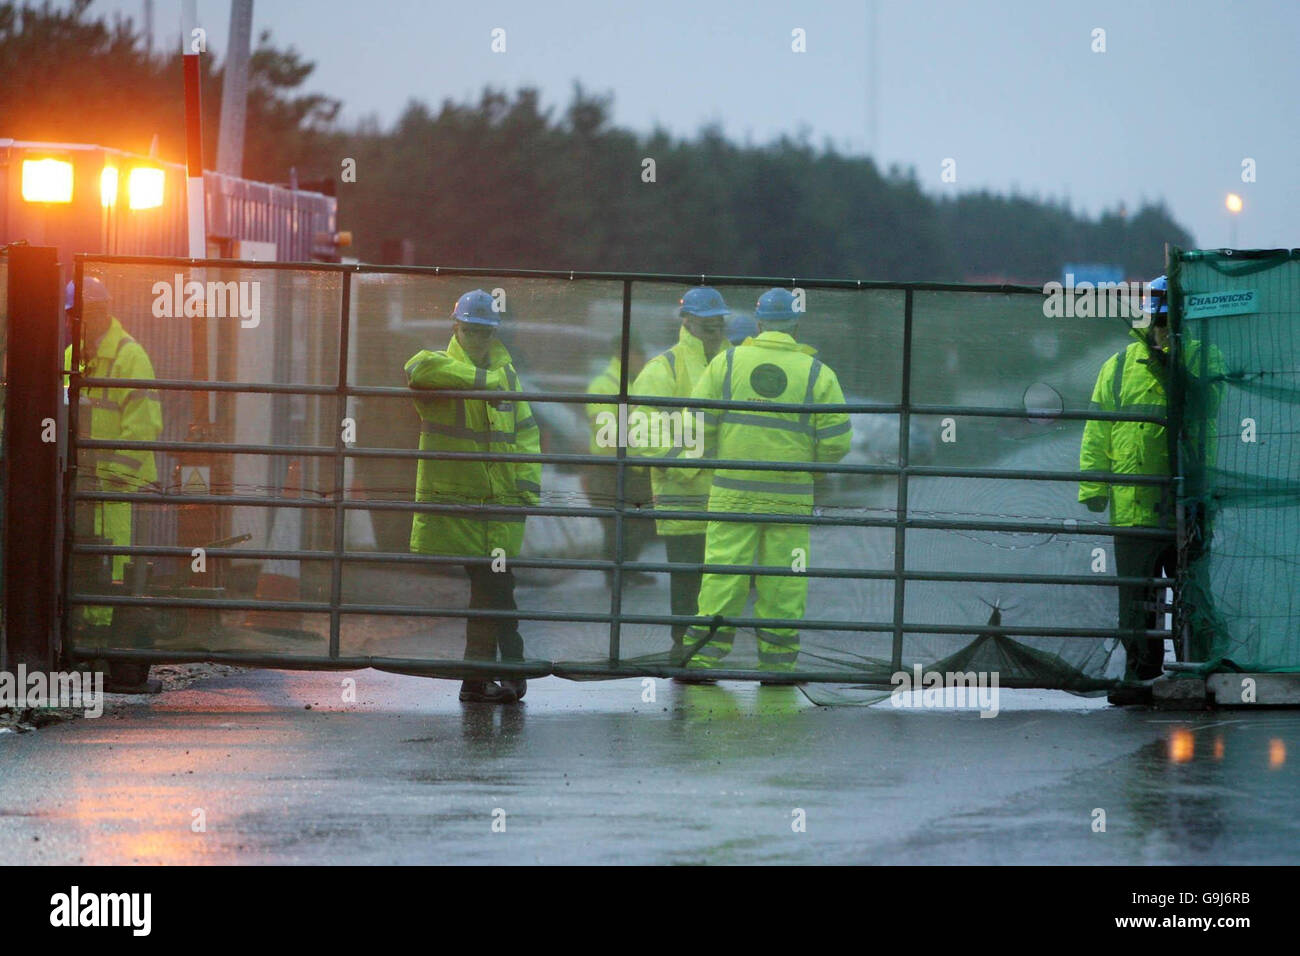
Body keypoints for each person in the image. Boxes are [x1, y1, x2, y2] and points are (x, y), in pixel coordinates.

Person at [680, 288, 852, 680]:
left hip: (732, 493)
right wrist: (809, 468)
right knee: (783, 583)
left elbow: (696, 423)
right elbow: (837, 441)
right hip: (789, 500)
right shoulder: (817, 374)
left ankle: (703, 659)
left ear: (758, 324)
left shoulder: (727, 362)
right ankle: (776, 666)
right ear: (795, 325)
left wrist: (713, 458)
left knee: (723, 575)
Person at [1078, 274, 1224, 687]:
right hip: (1134, 505)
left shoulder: (1205, 358)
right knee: (1137, 600)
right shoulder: (1119, 365)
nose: (1161, 330)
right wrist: (1093, 487)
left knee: (1193, 593)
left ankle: (1197, 672)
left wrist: (1173, 368)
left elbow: (1208, 404)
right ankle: (1140, 675)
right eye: (1156, 322)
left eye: (1168, 322)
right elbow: (1097, 429)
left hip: (1187, 502)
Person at [405, 289, 541, 705]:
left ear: (494, 333)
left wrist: (527, 492)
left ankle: (479, 681)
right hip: (463, 508)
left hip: (500, 508)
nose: (477, 339)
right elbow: (419, 370)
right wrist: (486, 384)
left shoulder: (508, 374)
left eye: (484, 333)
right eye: (470, 331)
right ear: (456, 329)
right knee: (494, 589)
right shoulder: (443, 366)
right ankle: (508, 672)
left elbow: (527, 435)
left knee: (492, 591)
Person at [64, 277, 163, 692]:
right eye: (74, 315)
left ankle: (104, 651)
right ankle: (87, 647)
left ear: (102, 311)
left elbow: (143, 431)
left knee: (114, 565)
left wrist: (106, 478)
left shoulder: (130, 357)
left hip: (116, 491)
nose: (79, 321)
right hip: (82, 489)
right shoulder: (73, 355)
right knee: (86, 561)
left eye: (84, 313)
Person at [628, 286, 730, 651]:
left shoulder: (735, 363)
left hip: (727, 501)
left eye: (719, 324)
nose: (714, 331)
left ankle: (708, 653)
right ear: (687, 322)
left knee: (722, 583)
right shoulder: (664, 368)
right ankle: (684, 650)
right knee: (688, 580)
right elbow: (640, 430)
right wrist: (687, 463)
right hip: (685, 501)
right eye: (707, 324)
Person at [584, 339, 655, 585]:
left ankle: (629, 569)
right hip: (610, 467)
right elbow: (606, 433)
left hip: (636, 466)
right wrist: (646, 439)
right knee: (616, 524)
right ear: (625, 355)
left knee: (639, 522)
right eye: (639, 355)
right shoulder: (603, 385)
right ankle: (614, 576)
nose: (643, 361)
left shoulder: (636, 384)